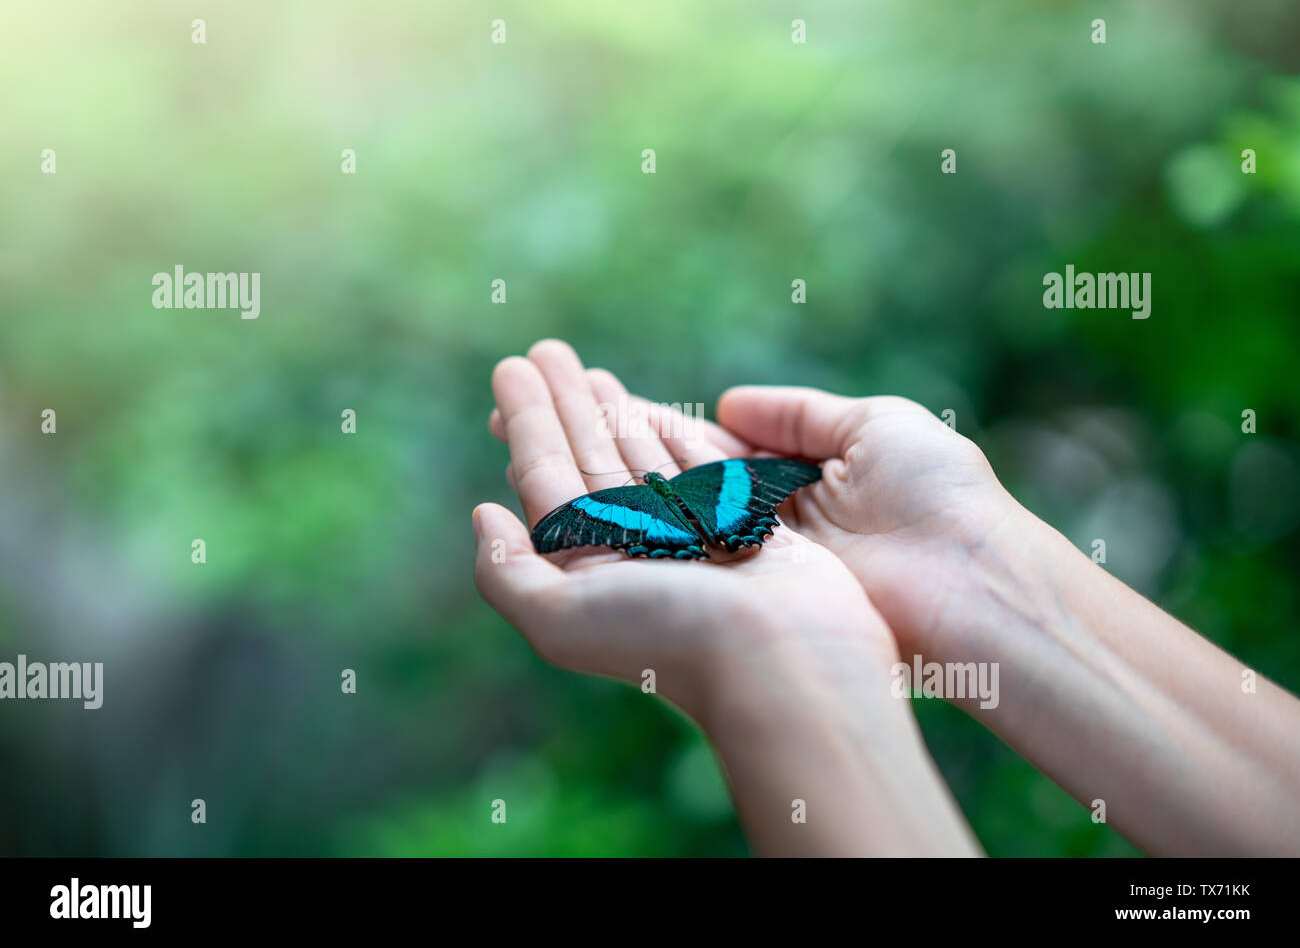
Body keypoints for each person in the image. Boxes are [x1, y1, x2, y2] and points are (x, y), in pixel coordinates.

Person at [474, 339, 1300, 856]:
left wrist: (766, 667)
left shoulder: (653, 499)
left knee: (623, 520)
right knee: (713, 510)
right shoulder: (735, 480)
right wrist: (985, 575)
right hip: (727, 511)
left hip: (679, 526)